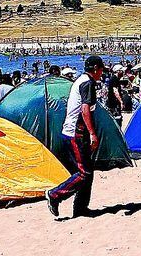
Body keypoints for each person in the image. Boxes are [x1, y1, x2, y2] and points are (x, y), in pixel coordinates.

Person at [46, 56, 104, 218]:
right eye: (101, 69)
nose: (101, 72)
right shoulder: (87, 83)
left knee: (87, 172)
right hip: (76, 133)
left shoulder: (82, 80)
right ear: (95, 68)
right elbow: (85, 110)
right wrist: (92, 133)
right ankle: (54, 195)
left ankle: (81, 209)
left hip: (74, 132)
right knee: (84, 173)